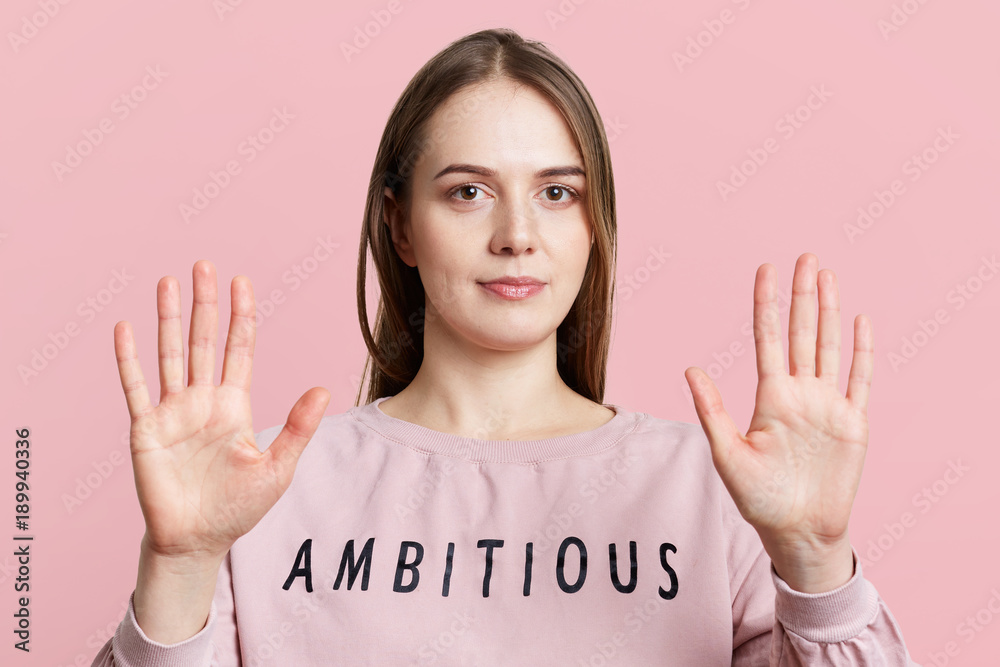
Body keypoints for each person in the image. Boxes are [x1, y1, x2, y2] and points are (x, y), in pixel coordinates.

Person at [92, 27, 920, 665]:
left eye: (557, 193)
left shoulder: (719, 490)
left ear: (594, 226)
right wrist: (181, 561)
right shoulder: (261, 487)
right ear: (400, 227)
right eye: (468, 192)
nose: (517, 235)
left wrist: (815, 561)